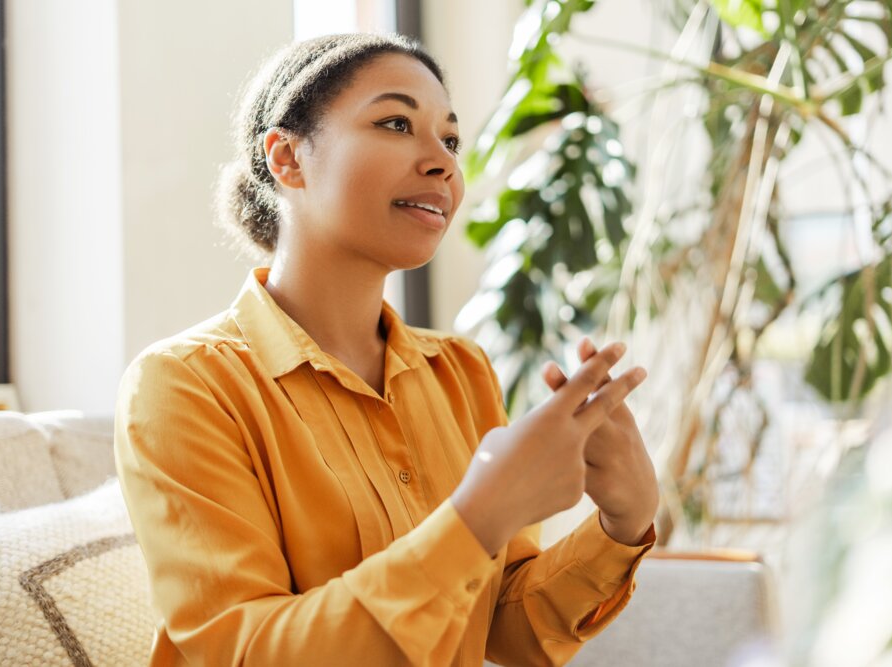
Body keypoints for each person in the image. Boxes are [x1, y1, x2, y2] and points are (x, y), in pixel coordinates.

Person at [114, 32, 659, 666]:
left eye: (450, 140)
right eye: (397, 123)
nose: (442, 163)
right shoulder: (182, 385)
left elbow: (503, 631)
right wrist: (476, 518)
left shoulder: (461, 372)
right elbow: (249, 652)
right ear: (287, 158)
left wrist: (624, 523)